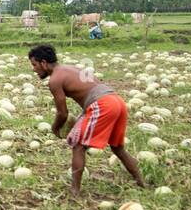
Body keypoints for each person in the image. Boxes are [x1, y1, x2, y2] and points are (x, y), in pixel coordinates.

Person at [27, 43, 145, 196]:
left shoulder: (55, 80)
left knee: (78, 145)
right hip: (116, 100)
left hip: (102, 105)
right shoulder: (71, 68)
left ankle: (74, 190)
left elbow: (62, 113)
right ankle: (141, 182)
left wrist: (55, 128)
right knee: (118, 148)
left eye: (34, 65)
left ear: (43, 63)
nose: (34, 69)